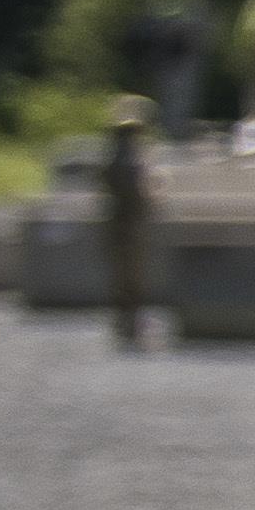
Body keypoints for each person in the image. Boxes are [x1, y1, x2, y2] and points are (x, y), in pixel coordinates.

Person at [102, 98, 161, 349]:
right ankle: (129, 322)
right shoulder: (127, 159)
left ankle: (128, 321)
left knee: (126, 277)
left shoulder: (117, 157)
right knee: (129, 276)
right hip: (128, 224)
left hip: (122, 223)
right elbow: (137, 192)